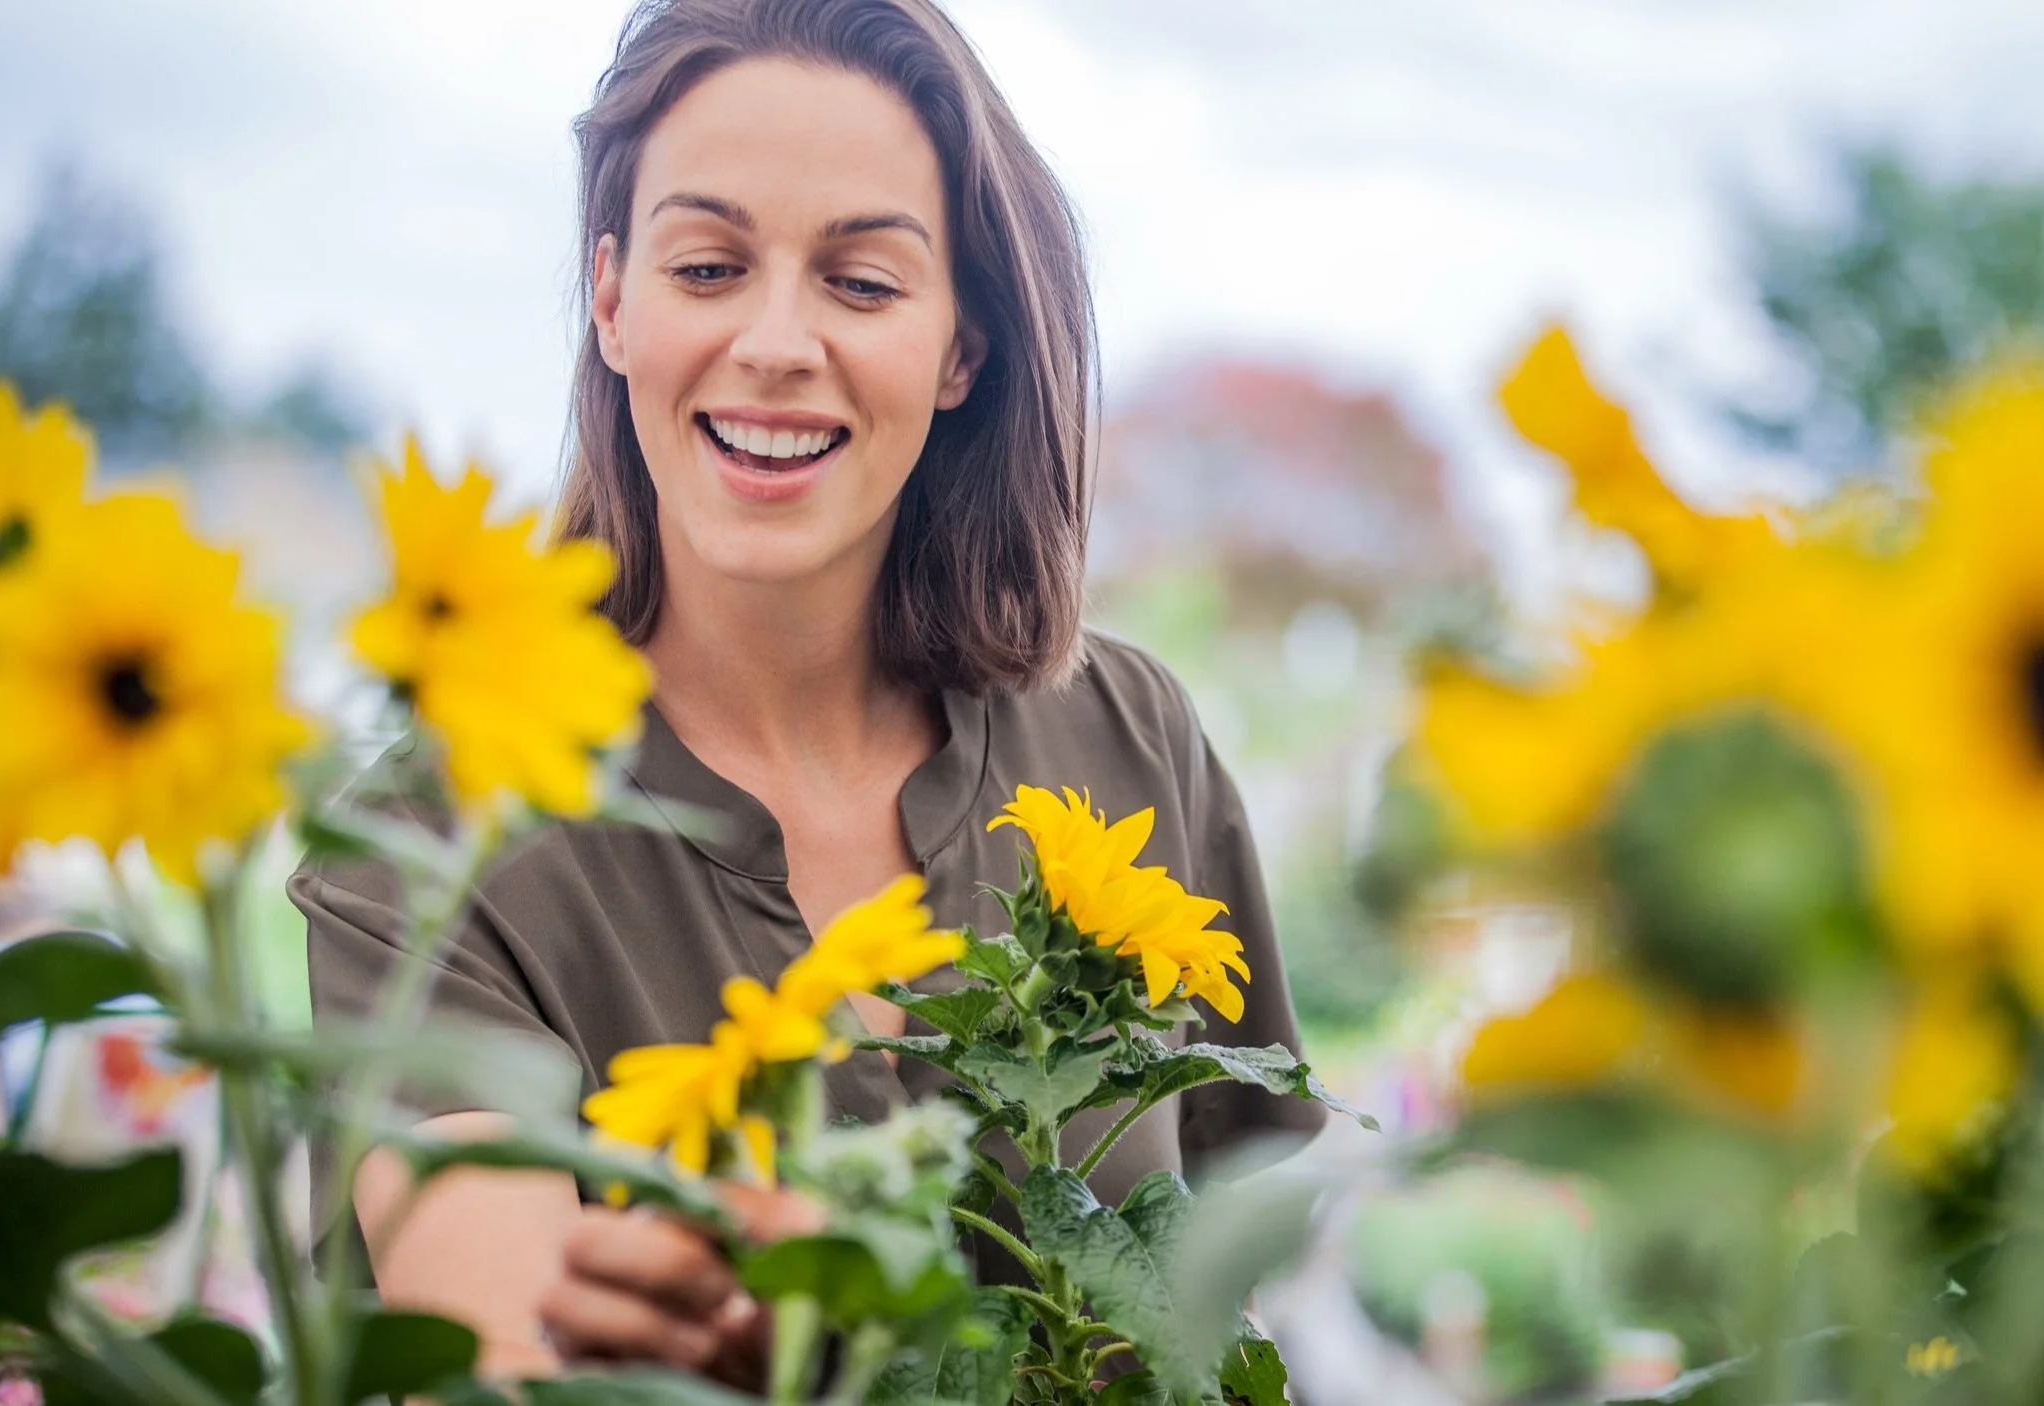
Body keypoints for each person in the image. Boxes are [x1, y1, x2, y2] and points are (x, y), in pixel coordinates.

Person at [292, 0, 1324, 1386]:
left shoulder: (1132, 738)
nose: (776, 342)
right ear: (611, 300)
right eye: (709, 266)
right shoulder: (433, 838)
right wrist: (692, 1336)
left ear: (963, 346)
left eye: (862, 280)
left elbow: (1243, 1265)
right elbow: (506, 1345)